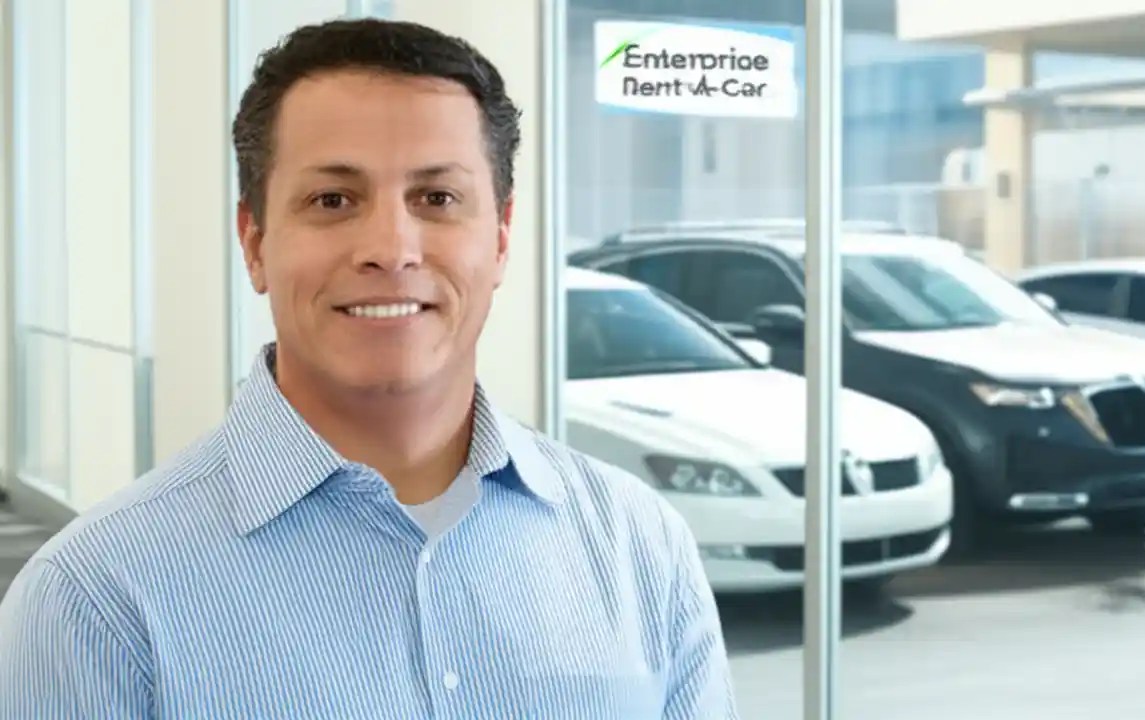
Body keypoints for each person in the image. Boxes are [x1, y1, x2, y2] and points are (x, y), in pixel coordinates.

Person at [0, 18, 738, 718]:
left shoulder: (640, 544)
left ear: (503, 237)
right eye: (333, 199)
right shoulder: (92, 601)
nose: (391, 246)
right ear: (255, 243)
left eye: (437, 197)